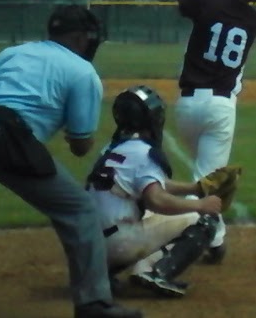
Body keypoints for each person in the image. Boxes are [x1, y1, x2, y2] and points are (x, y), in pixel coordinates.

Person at [0, 4, 141, 318]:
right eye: (89, 36)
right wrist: (75, 135)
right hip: (2, 134)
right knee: (78, 209)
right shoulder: (83, 71)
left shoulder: (15, 52)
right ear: (79, 37)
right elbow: (81, 146)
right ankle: (94, 303)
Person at [173, 0, 256, 263]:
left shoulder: (209, 7)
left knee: (204, 179)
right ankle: (187, 241)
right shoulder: (253, 21)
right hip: (219, 109)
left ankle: (215, 241)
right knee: (206, 185)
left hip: (186, 108)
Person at [87, 85, 224, 299]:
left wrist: (195, 189)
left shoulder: (111, 149)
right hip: (119, 244)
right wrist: (200, 204)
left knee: (139, 213)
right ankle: (155, 272)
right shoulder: (145, 152)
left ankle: (102, 275)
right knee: (205, 219)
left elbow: (150, 184)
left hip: (90, 248)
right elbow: (155, 199)